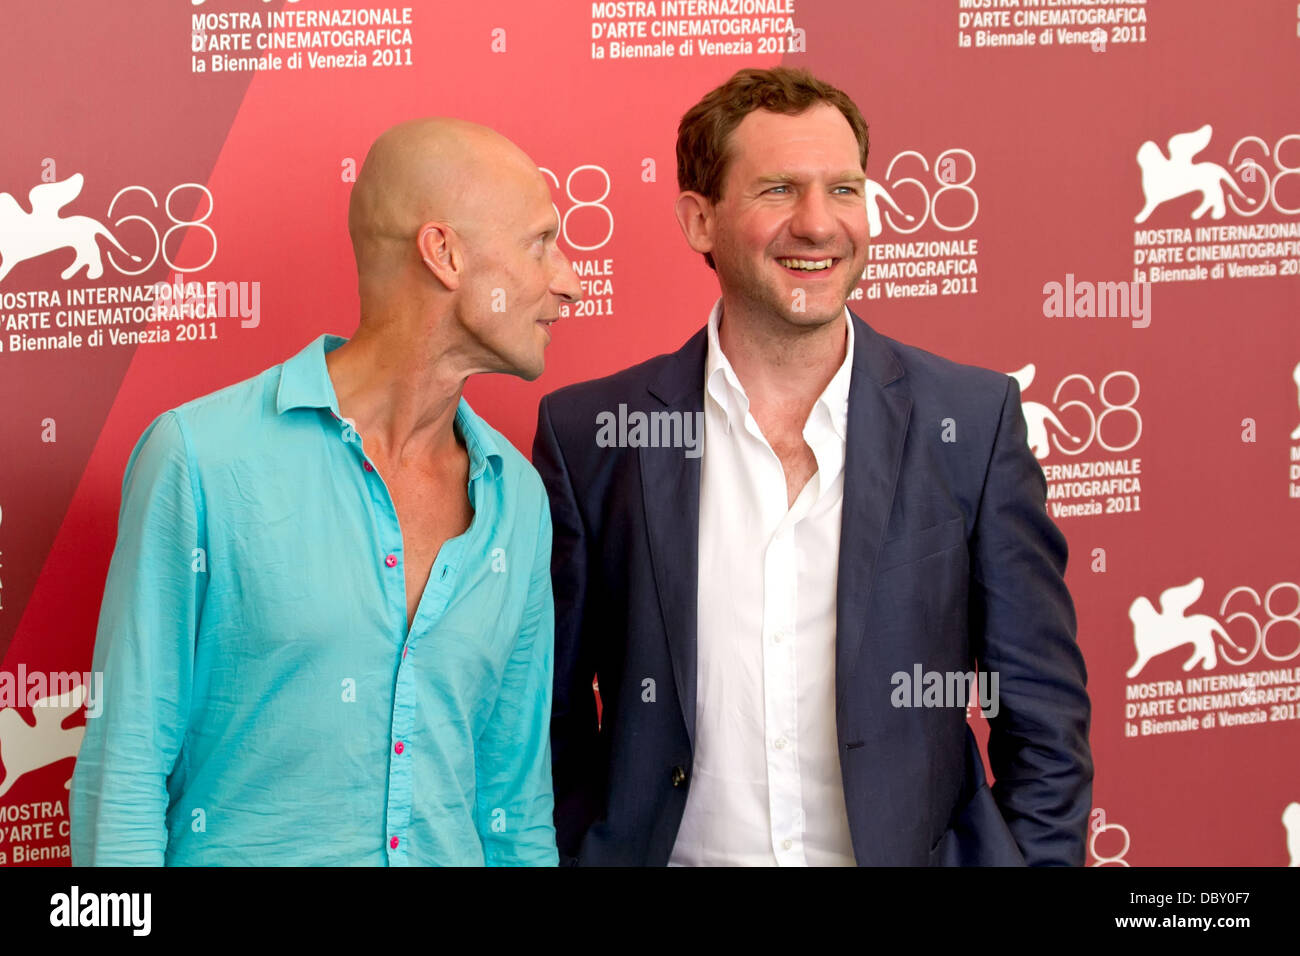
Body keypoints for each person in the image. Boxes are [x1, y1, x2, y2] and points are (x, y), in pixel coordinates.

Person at [533, 67, 1093, 866]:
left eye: (843, 189)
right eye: (776, 191)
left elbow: (1041, 711)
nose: (818, 224)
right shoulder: (593, 434)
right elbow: (548, 720)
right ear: (700, 220)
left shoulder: (972, 421)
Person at [70, 118, 581, 865]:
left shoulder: (518, 501)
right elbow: (123, 777)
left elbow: (513, 807)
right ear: (444, 253)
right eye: (541, 243)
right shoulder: (200, 460)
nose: (568, 278)